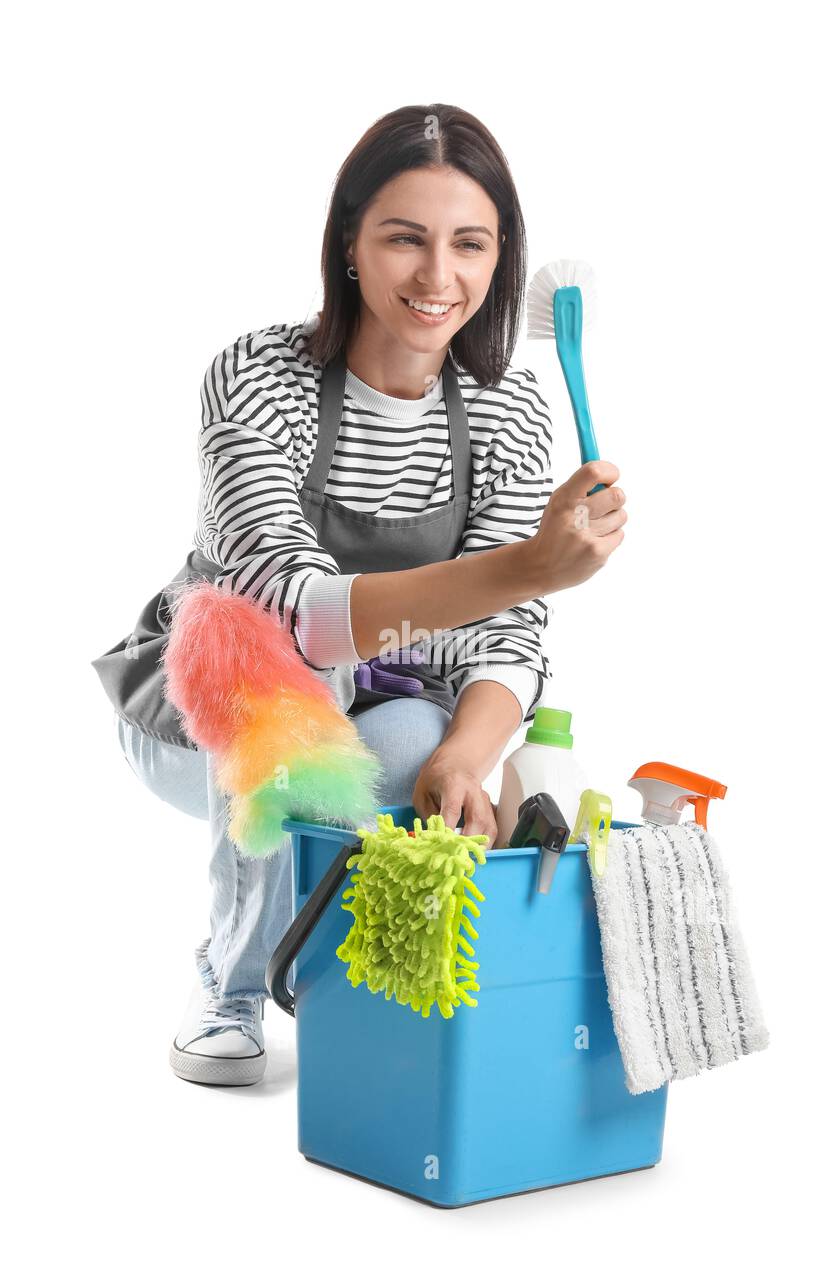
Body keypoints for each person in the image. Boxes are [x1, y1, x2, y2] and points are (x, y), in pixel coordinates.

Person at [101, 103, 627, 1087]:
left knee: (418, 747)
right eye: (403, 239)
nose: (437, 278)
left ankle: (349, 987)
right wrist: (525, 563)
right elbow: (293, 610)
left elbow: (504, 633)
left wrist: (470, 756)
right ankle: (228, 985)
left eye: (468, 244)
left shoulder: (509, 406)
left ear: (499, 254)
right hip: (199, 710)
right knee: (294, 685)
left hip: (355, 724)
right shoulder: (258, 376)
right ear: (348, 244)